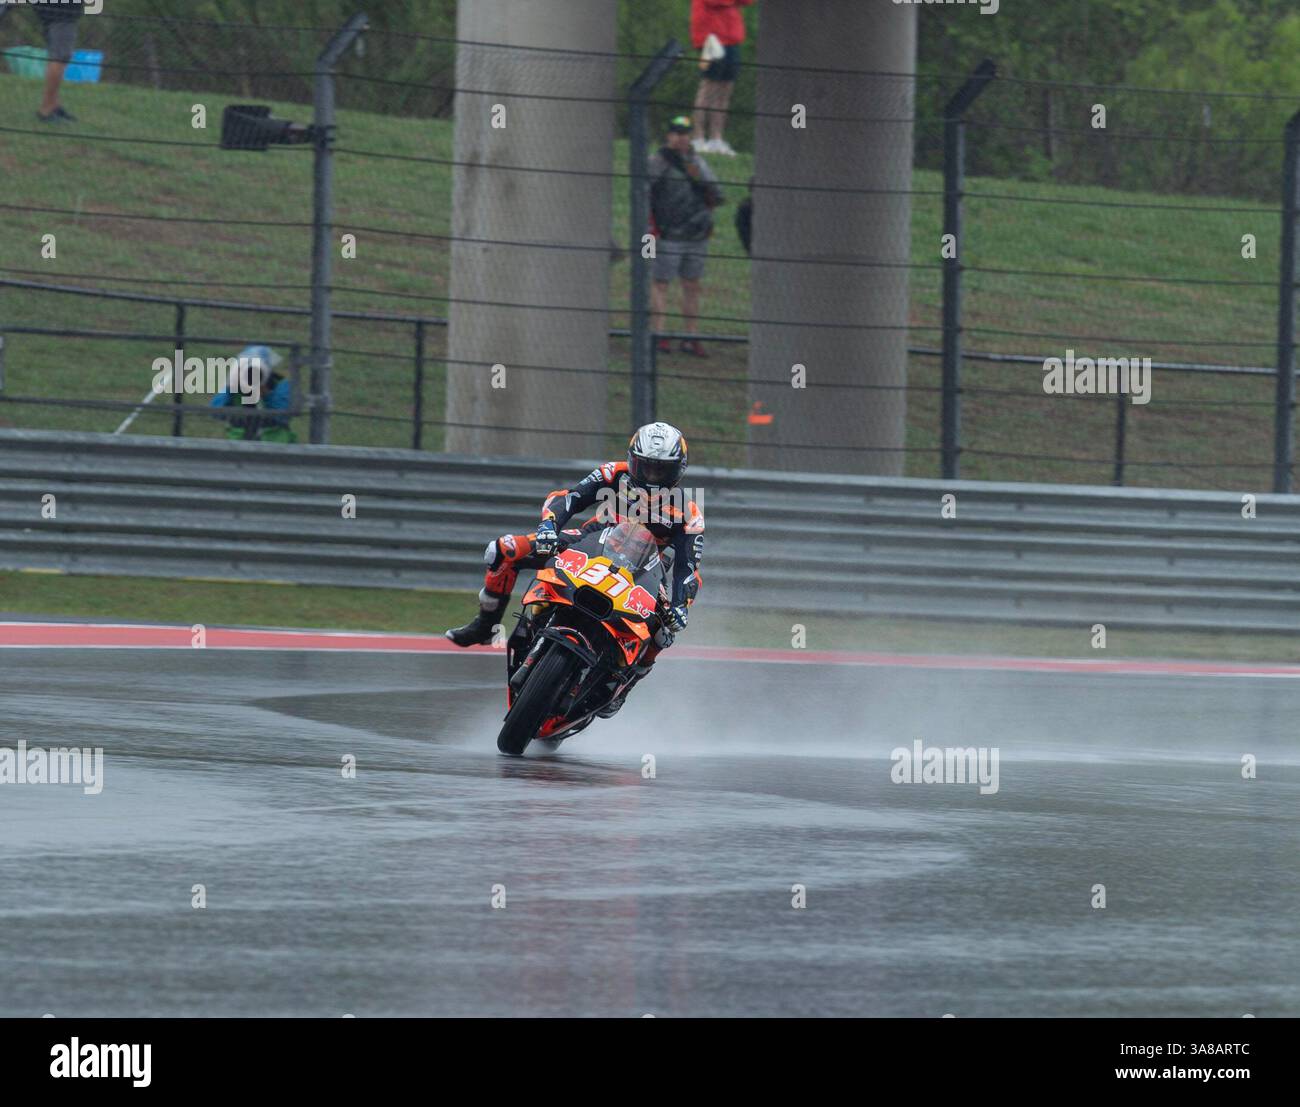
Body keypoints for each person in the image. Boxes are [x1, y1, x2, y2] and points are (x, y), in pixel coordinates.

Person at [445, 422, 704, 718]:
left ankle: (619, 688)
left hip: (645, 568)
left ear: (677, 471)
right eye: (645, 467)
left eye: (660, 470)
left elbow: (688, 569)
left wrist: (680, 605)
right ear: (632, 460)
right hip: (590, 541)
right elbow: (568, 499)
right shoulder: (612, 473)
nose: (651, 476)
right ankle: (484, 625)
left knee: (665, 630)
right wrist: (548, 526)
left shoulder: (688, 513)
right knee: (503, 549)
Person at [649, 116, 723, 359]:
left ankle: (691, 337)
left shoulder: (697, 162)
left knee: (692, 285)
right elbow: (642, 195)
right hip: (667, 234)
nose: (682, 137)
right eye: (677, 132)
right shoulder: (657, 162)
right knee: (661, 283)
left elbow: (716, 192)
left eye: (686, 133)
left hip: (696, 234)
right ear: (668, 135)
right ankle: (658, 335)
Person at [691, 0, 754, 156]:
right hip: (711, 39)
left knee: (725, 91)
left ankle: (716, 139)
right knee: (708, 88)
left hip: (731, 39)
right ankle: (698, 138)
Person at [209, 345, 296, 443]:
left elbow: (283, 416)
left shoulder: (280, 384)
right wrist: (230, 386)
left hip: (276, 444)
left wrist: (266, 393)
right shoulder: (235, 384)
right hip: (239, 444)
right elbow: (215, 412)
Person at [29, 0, 86, 124]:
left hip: (54, 11)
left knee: (57, 56)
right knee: (60, 58)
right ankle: (47, 110)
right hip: (62, 12)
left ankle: (53, 104)